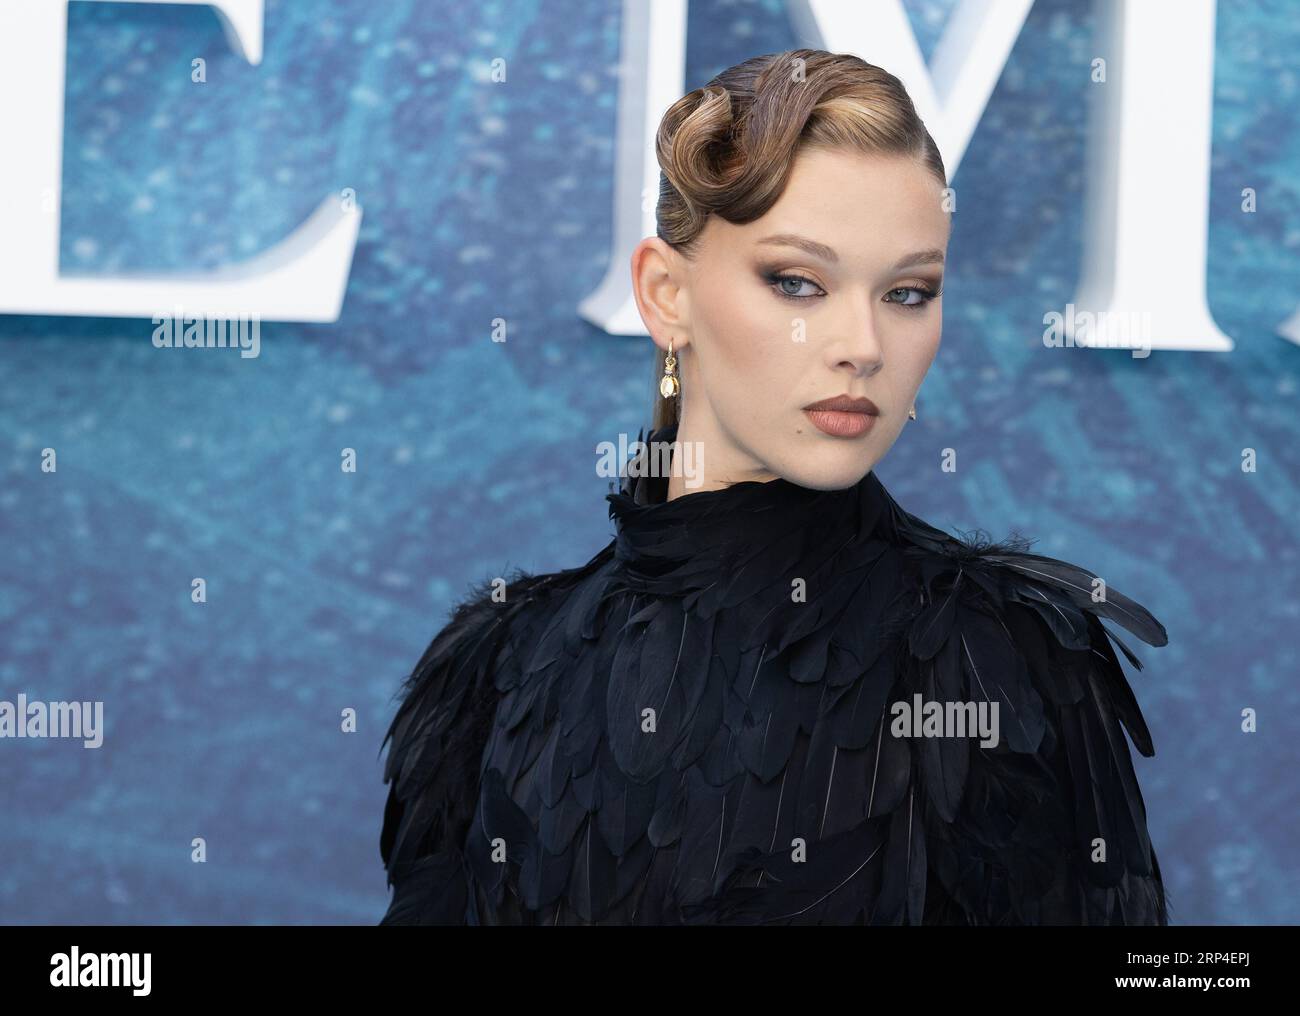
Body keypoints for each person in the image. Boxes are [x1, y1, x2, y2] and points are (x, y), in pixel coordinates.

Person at [378, 48, 1170, 925]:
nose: (862, 344)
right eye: (797, 282)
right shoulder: (493, 670)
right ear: (664, 292)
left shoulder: (995, 659)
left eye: (908, 292)